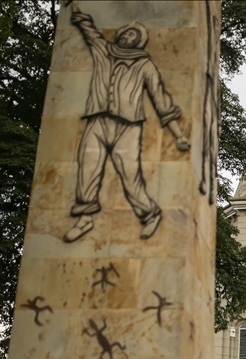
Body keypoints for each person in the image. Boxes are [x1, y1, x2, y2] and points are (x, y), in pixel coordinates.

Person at [65, 1, 191, 243]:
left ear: (139, 40)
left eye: (134, 34)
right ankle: (84, 218)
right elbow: (87, 28)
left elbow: (160, 99)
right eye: (125, 32)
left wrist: (178, 135)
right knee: (87, 167)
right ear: (120, 35)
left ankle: (150, 214)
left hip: (128, 125)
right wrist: (76, 7)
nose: (128, 36)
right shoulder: (102, 50)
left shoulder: (144, 63)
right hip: (97, 119)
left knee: (130, 174)